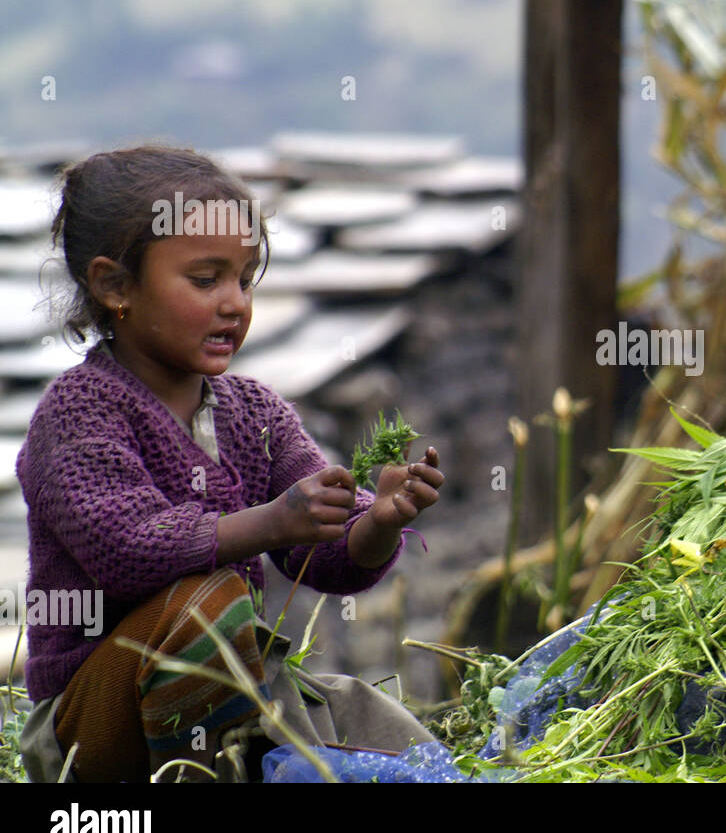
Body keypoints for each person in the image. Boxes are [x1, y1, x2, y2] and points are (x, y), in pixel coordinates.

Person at [16, 146, 445, 782]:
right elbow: (129, 549)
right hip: (94, 724)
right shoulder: (78, 416)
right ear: (114, 287)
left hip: (227, 692)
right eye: (205, 279)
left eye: (245, 279)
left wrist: (375, 521)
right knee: (204, 605)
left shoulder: (255, 412)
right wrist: (272, 522)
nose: (235, 303)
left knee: (366, 722)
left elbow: (317, 554)